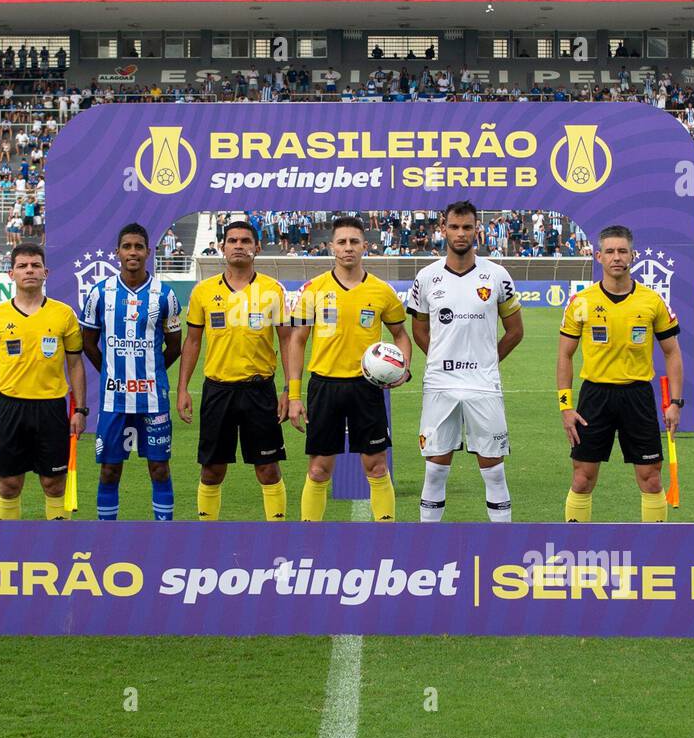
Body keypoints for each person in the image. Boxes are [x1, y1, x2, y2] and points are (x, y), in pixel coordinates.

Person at [287, 216, 412, 522]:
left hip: (366, 388)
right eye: (342, 242)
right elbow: (297, 341)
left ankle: (386, 535)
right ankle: (309, 539)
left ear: (364, 247)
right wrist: (293, 395)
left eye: (354, 242)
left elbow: (400, 335)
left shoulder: (382, 291)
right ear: (332, 247)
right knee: (318, 469)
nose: (348, 248)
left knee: (377, 466)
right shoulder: (313, 289)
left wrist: (403, 369)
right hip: (324, 387)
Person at [557, 225, 683, 524]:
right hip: (594, 397)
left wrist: (675, 402)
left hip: (637, 396)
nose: (617, 257)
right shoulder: (581, 302)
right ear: (598, 256)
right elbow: (564, 355)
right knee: (582, 479)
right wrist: (566, 406)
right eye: (610, 251)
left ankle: (655, 551)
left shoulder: (652, 301)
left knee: (651, 478)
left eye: (622, 251)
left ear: (633, 255)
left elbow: (672, 352)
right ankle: (576, 549)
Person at [408, 201, 524, 522]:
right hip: (440, 385)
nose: (461, 234)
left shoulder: (497, 275)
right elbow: (418, 328)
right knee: (434, 472)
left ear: (477, 230)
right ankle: (428, 548)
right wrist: (439, 359)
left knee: (495, 474)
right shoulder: (427, 277)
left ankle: (502, 547)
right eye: (455, 227)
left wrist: (488, 361)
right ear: (443, 229)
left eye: (467, 227)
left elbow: (515, 331)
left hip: (483, 386)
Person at [177, 220, 292, 522]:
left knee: (267, 468)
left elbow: (288, 340)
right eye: (232, 240)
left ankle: (277, 533)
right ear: (222, 247)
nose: (238, 245)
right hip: (218, 390)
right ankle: (208, 533)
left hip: (259, 389)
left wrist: (289, 390)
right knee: (212, 469)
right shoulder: (203, 291)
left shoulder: (272, 290)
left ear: (257, 247)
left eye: (245, 240)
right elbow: (191, 342)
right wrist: (183, 388)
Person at [0, 243, 88, 521]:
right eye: (23, 266)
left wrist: (80, 409)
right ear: (11, 274)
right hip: (10, 409)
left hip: (51, 409)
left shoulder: (64, 314)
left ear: (45, 272)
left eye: (35, 265)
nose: (29, 270)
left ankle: (60, 547)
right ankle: (7, 547)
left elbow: (75, 364)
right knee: (9, 484)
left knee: (54, 484)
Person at [80, 223, 182, 522]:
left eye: (139, 246)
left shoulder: (165, 295)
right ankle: (106, 535)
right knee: (110, 470)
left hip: (153, 399)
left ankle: (164, 534)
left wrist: (153, 371)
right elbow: (88, 343)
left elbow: (175, 346)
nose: (133, 252)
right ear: (118, 253)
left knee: (159, 468)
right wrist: (111, 373)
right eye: (127, 247)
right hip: (114, 400)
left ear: (148, 252)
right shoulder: (100, 293)